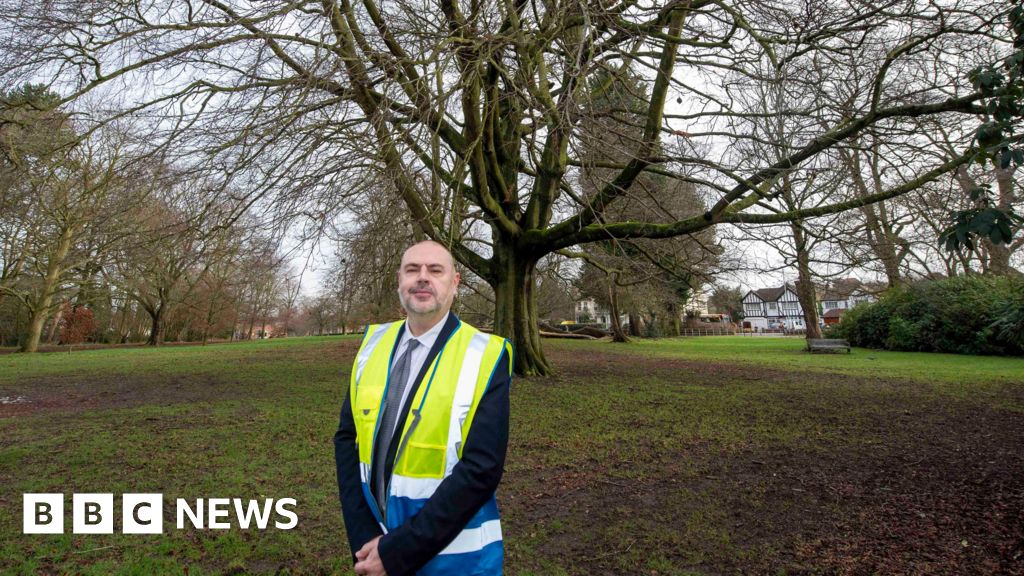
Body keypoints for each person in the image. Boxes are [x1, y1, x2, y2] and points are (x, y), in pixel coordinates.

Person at [334, 240, 513, 576]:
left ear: (455, 283)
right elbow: (346, 439)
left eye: (435, 270)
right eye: (412, 269)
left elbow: (482, 468)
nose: (423, 278)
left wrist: (398, 552)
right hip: (374, 549)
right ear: (399, 280)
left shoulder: (485, 355)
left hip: (456, 559)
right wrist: (364, 536)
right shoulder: (372, 346)